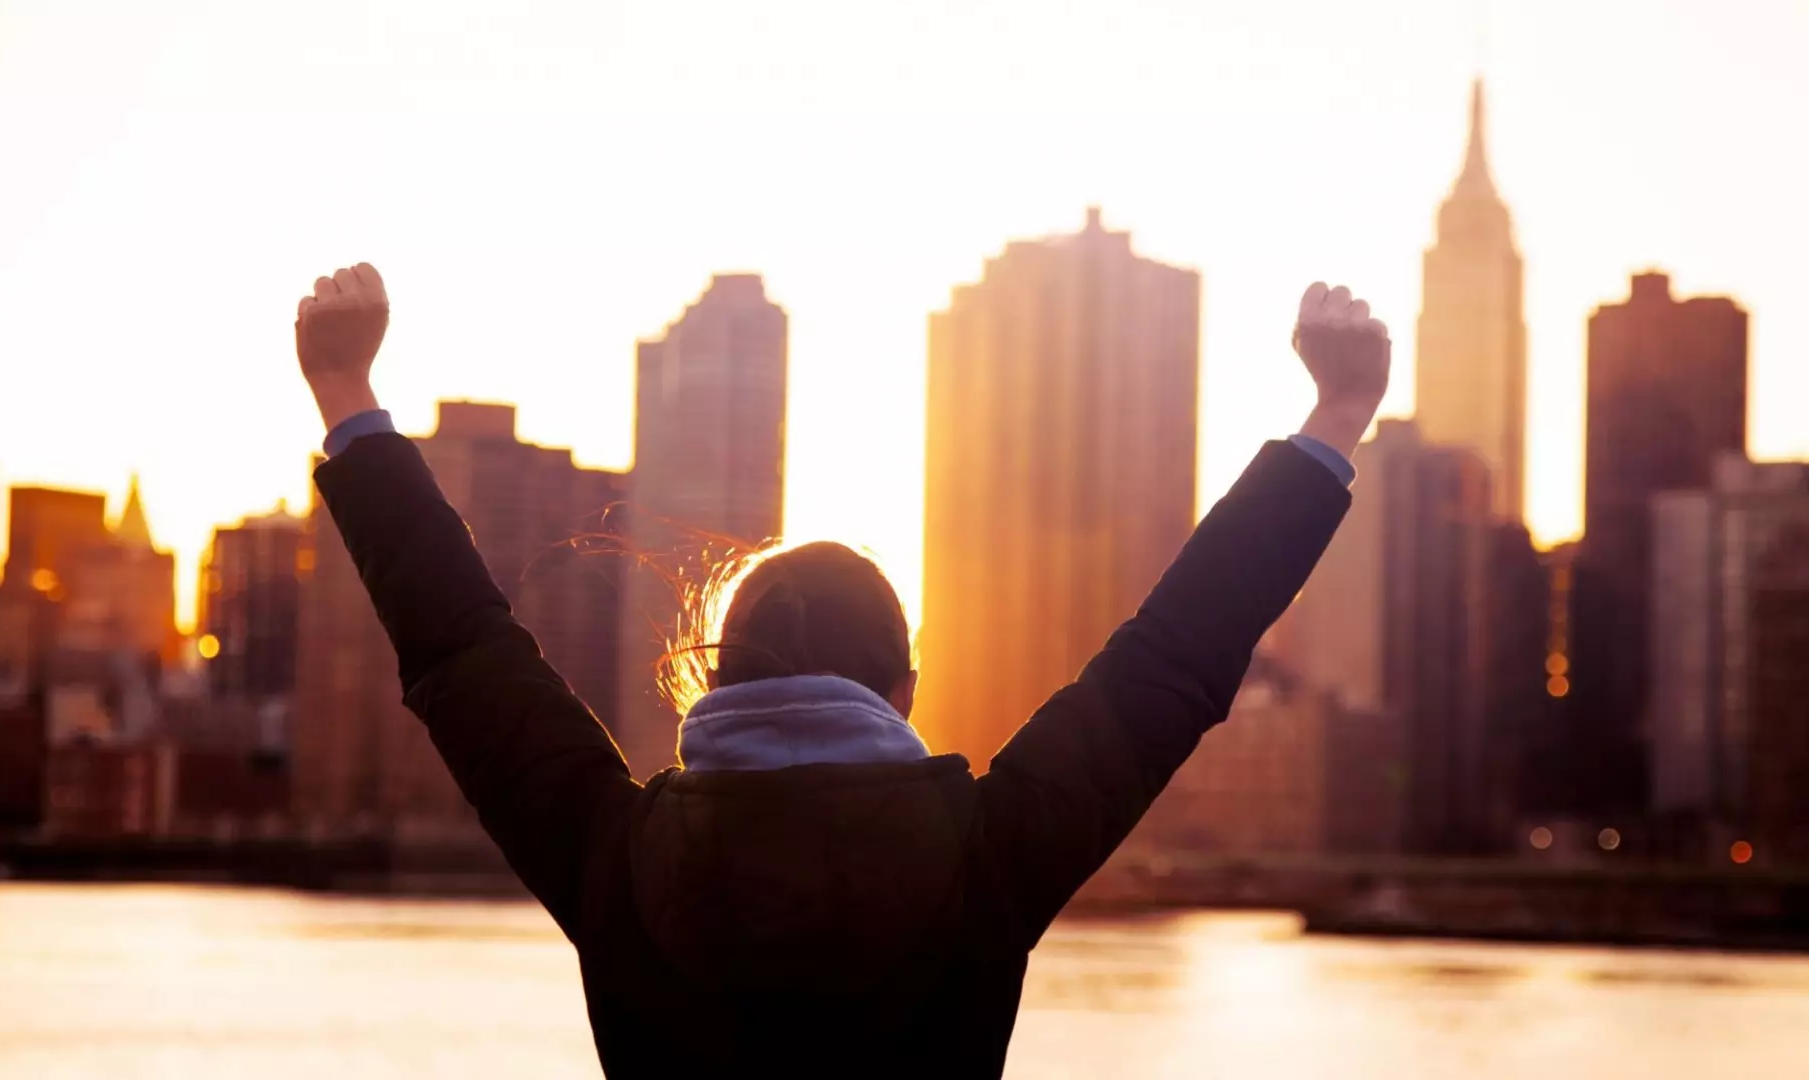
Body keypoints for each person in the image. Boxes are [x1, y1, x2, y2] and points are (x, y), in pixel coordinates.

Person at [295, 263, 1389, 1078]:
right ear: (903, 686)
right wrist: (1333, 420)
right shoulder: (987, 851)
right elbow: (1176, 656)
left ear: (714, 681)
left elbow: (458, 643)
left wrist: (347, 391)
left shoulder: (616, 853)